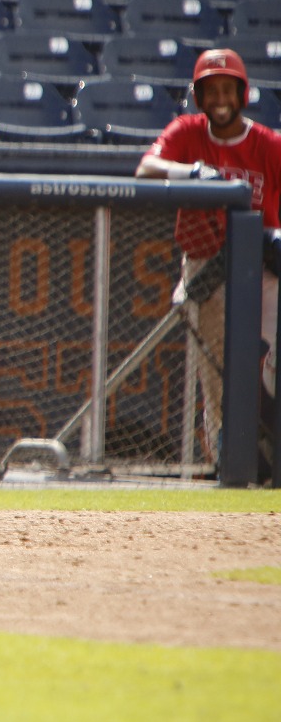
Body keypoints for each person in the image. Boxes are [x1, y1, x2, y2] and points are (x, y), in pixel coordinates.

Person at [136, 48, 281, 463]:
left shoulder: (268, 144)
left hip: (263, 267)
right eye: (211, 90)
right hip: (209, 268)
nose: (220, 98)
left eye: (228, 89)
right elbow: (146, 169)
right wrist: (190, 171)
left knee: (273, 359)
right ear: (199, 97)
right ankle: (226, 459)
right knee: (217, 372)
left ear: (242, 94)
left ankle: (268, 444)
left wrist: (276, 234)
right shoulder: (187, 132)